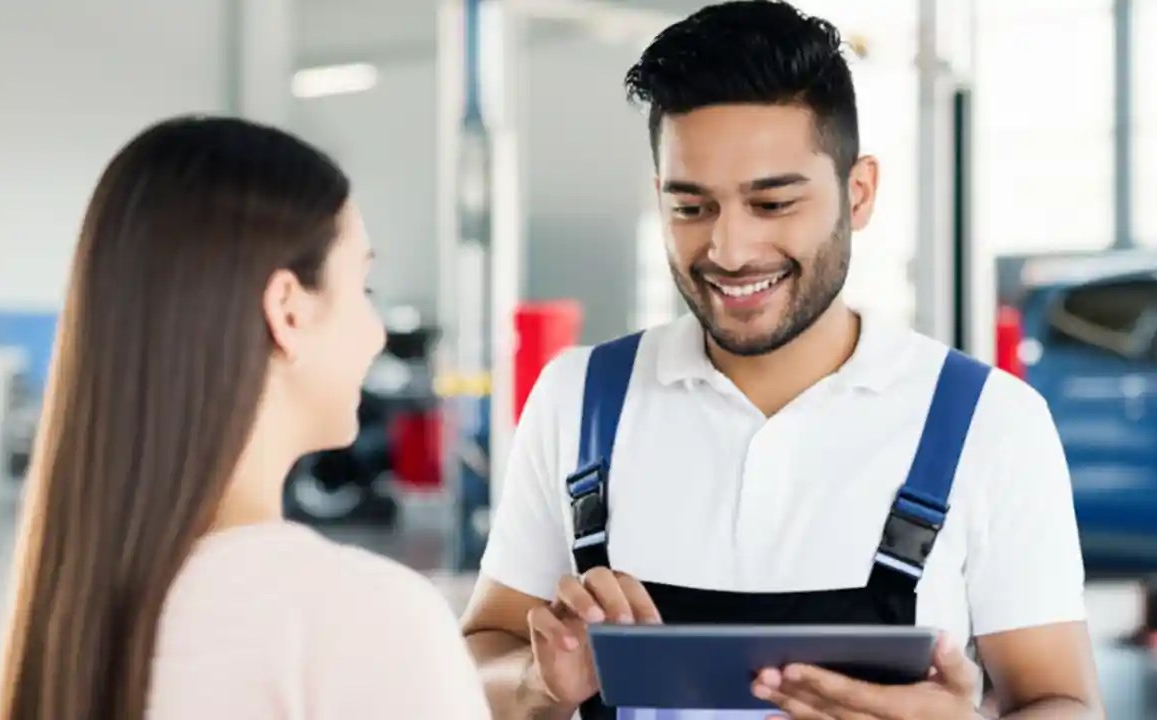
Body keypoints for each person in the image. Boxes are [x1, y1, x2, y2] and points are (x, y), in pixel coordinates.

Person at [460, 2, 1102, 719]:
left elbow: (1066, 702)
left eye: (771, 205)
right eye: (692, 208)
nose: (729, 251)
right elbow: (479, 658)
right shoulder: (579, 401)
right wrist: (541, 682)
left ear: (858, 193)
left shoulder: (992, 423)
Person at [0, 116, 490, 720]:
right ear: (287, 310)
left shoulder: (61, 622)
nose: (376, 333)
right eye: (363, 288)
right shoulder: (367, 618)